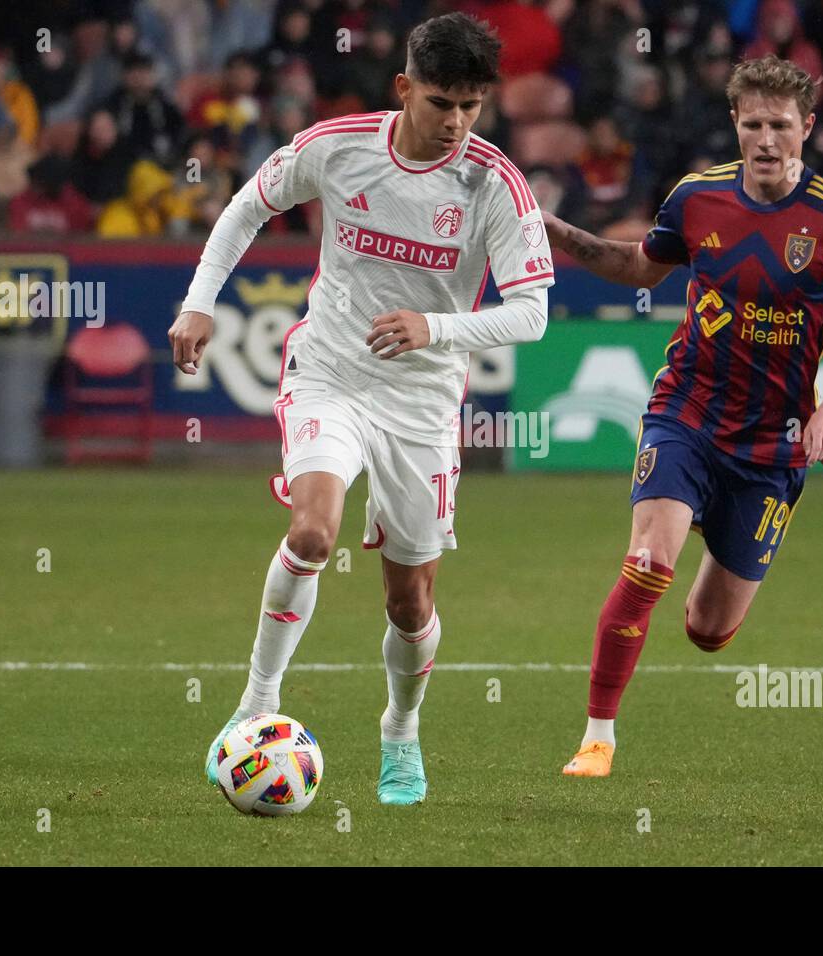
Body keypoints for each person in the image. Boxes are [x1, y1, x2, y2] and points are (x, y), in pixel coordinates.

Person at [168, 12, 554, 805]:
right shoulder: (338, 147)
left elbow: (533, 312)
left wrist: (434, 328)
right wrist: (200, 301)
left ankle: (400, 731)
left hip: (421, 403)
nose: (456, 123)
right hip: (332, 373)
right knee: (311, 530)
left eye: (471, 108)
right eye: (442, 102)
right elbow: (247, 205)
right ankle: (255, 705)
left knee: (409, 601)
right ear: (404, 87)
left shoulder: (493, 183)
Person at [543, 55, 823, 777]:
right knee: (648, 560)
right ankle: (598, 737)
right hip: (688, 411)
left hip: (772, 446)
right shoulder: (696, 199)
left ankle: (716, 528)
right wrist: (551, 228)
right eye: (753, 124)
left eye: (780, 125)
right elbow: (638, 268)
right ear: (736, 123)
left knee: (708, 631)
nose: (766, 139)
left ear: (807, 128)